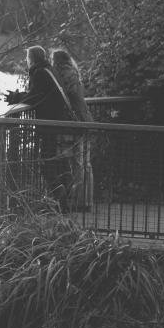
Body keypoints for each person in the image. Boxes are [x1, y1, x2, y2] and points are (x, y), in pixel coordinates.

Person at [4, 46, 75, 210]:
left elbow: (34, 97)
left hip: (50, 124)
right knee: (54, 161)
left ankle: (61, 200)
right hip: (57, 123)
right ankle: (64, 197)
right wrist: (17, 96)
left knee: (45, 163)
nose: (26, 61)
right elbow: (38, 94)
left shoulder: (40, 73)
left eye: (27, 58)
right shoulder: (48, 70)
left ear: (32, 59)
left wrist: (16, 97)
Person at [51, 48, 94, 211]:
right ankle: (85, 200)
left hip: (74, 123)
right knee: (83, 163)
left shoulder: (63, 76)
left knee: (76, 163)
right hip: (84, 120)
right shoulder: (74, 73)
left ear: (56, 62)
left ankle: (78, 202)